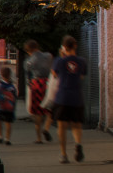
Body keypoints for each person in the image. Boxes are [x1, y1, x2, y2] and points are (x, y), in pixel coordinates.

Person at [51, 35, 87, 163]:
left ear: (64, 47)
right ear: (75, 46)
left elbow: (54, 75)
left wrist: (62, 56)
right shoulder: (82, 61)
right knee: (76, 124)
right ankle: (78, 144)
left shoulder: (59, 61)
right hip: (77, 97)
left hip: (62, 97)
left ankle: (63, 154)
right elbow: (82, 76)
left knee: (62, 126)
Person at [24, 39, 54, 143]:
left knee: (37, 112)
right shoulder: (49, 56)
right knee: (50, 109)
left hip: (36, 84)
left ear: (28, 50)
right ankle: (46, 128)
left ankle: (39, 138)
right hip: (47, 83)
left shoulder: (28, 61)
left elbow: (28, 77)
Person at [0, 65, 17, 144]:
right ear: (10, 74)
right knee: (8, 123)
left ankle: (0, 136)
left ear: (1, 74)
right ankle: (7, 139)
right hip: (9, 108)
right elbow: (15, 96)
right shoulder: (13, 85)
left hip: (0, 107)